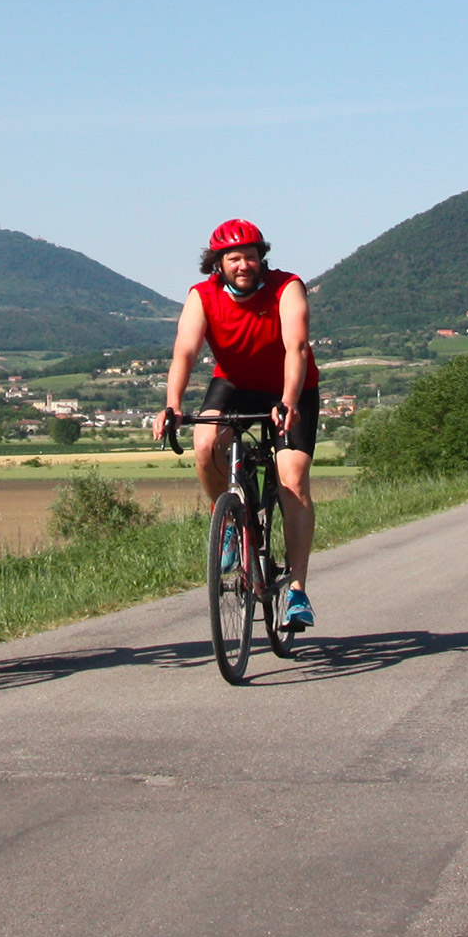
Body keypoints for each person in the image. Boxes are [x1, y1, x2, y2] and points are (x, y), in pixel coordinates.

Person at [153, 219, 322, 629]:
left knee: (293, 479)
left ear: (261, 257)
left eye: (250, 256)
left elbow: (296, 347)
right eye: (234, 258)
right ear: (218, 263)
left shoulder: (287, 287)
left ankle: (297, 590)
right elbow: (185, 351)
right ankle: (228, 518)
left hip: (290, 387)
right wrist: (172, 404)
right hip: (234, 383)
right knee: (205, 442)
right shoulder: (202, 296)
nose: (243, 265)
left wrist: (288, 400)